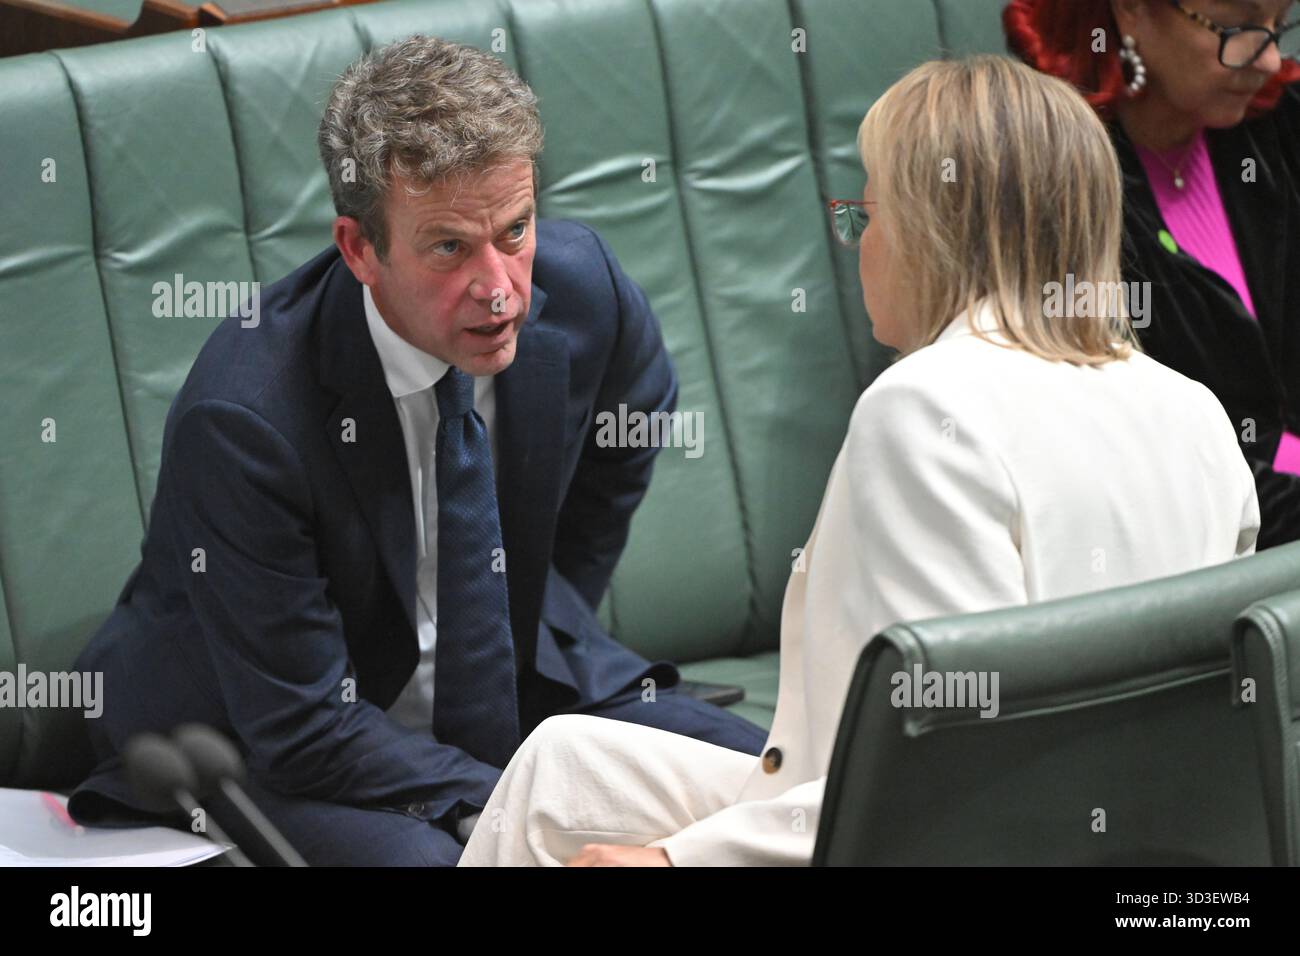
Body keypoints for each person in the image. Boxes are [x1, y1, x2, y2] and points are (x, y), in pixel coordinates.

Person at [457, 55, 1260, 867]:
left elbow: (944, 772)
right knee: (562, 768)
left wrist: (674, 862)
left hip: (973, 836)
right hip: (1137, 852)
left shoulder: (927, 408)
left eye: (867, 213)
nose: (860, 244)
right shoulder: (1197, 415)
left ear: (929, 229)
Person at [65, 35, 766, 866]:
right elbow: (302, 729)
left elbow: (630, 430)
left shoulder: (583, 298)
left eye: (515, 230)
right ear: (360, 249)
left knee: (772, 782)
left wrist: (535, 607)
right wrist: (543, 797)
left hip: (518, 694)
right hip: (261, 739)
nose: (500, 285)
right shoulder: (247, 417)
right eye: (449, 248)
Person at [1006, 0, 1300, 547]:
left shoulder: (1278, 123)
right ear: (1132, 12)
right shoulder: (1053, 188)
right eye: (1238, 28)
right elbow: (1142, 474)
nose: (1267, 59)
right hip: (1208, 563)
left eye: (1279, 26)